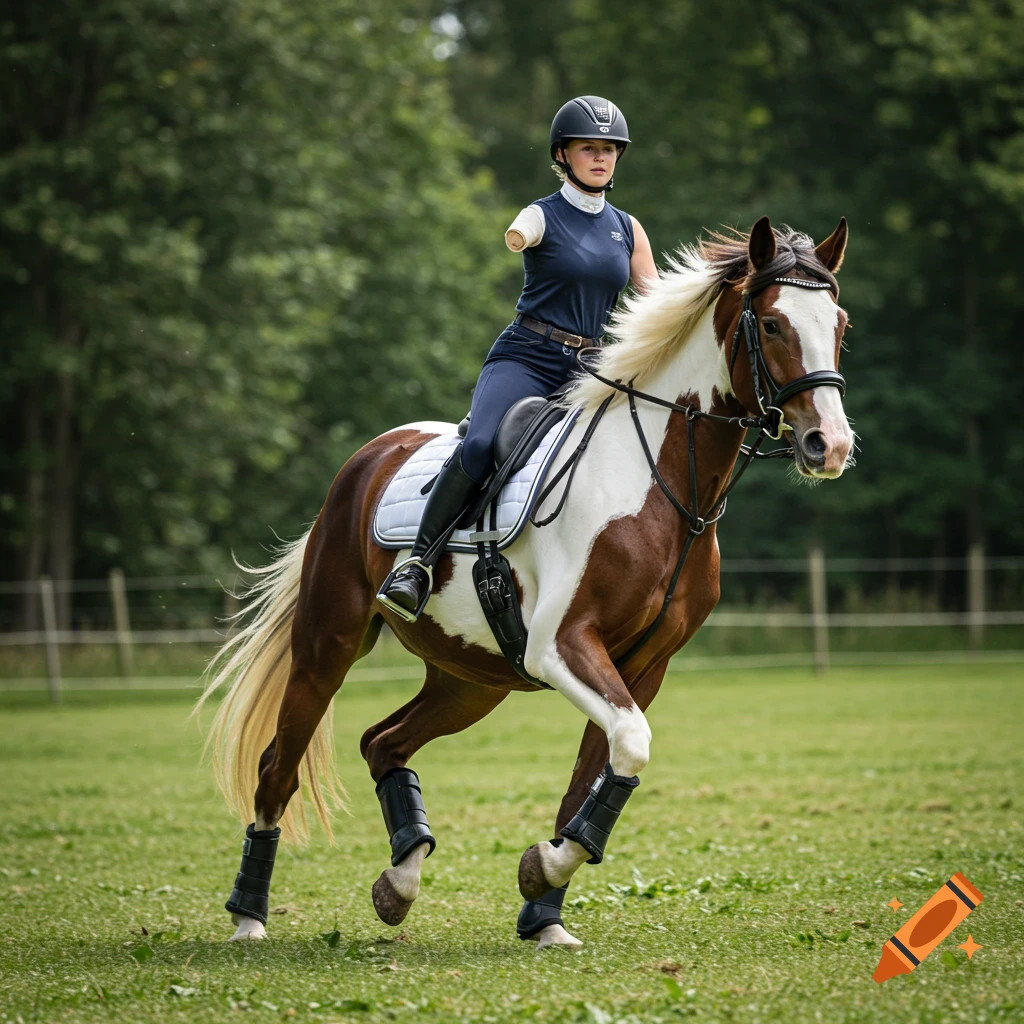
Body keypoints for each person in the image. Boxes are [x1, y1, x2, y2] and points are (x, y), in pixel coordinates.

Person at [378, 95, 658, 621]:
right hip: (527, 356)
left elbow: (654, 304)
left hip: (589, 371)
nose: (600, 158)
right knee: (482, 444)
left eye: (609, 150)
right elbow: (519, 233)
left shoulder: (629, 228)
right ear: (562, 155)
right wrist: (522, 233)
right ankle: (415, 564)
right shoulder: (540, 215)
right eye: (588, 149)